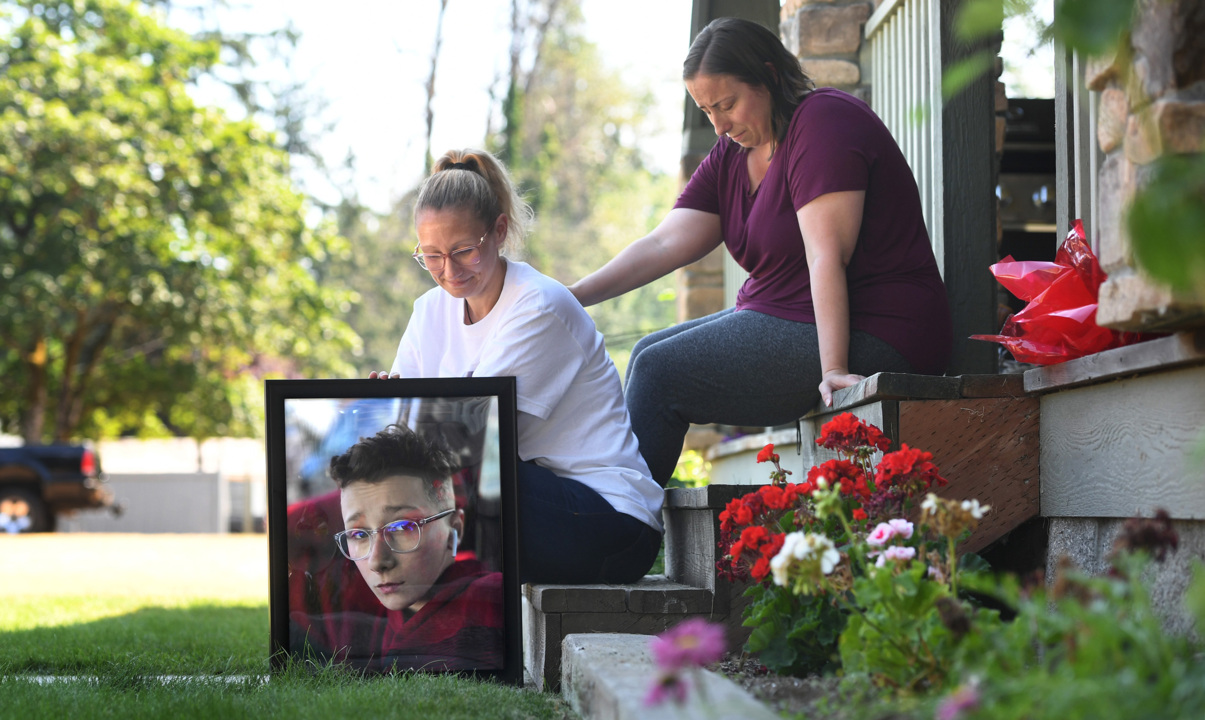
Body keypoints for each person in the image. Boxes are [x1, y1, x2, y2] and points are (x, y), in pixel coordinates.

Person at [569, 17, 953, 487]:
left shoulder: (823, 122)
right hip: (788, 318)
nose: (719, 124)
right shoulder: (732, 154)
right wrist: (574, 295)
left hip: (877, 328)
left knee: (658, 370)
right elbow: (664, 242)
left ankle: (616, 533)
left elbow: (826, 255)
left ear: (769, 75)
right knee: (648, 351)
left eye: (727, 104)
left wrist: (834, 368)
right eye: (706, 110)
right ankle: (616, 517)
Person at [371, 148, 663, 586]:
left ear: (499, 230)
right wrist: (385, 404)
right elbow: (406, 430)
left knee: (450, 482)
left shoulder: (538, 305)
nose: (448, 271)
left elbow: (472, 442)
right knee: (387, 493)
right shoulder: (430, 311)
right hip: (525, 494)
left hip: (611, 524)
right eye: (431, 256)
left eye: (464, 250)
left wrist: (405, 422)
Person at [291, 424, 503, 672]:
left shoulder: (491, 602)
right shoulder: (364, 619)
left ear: (454, 528)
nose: (377, 561)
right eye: (359, 534)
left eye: (402, 527)